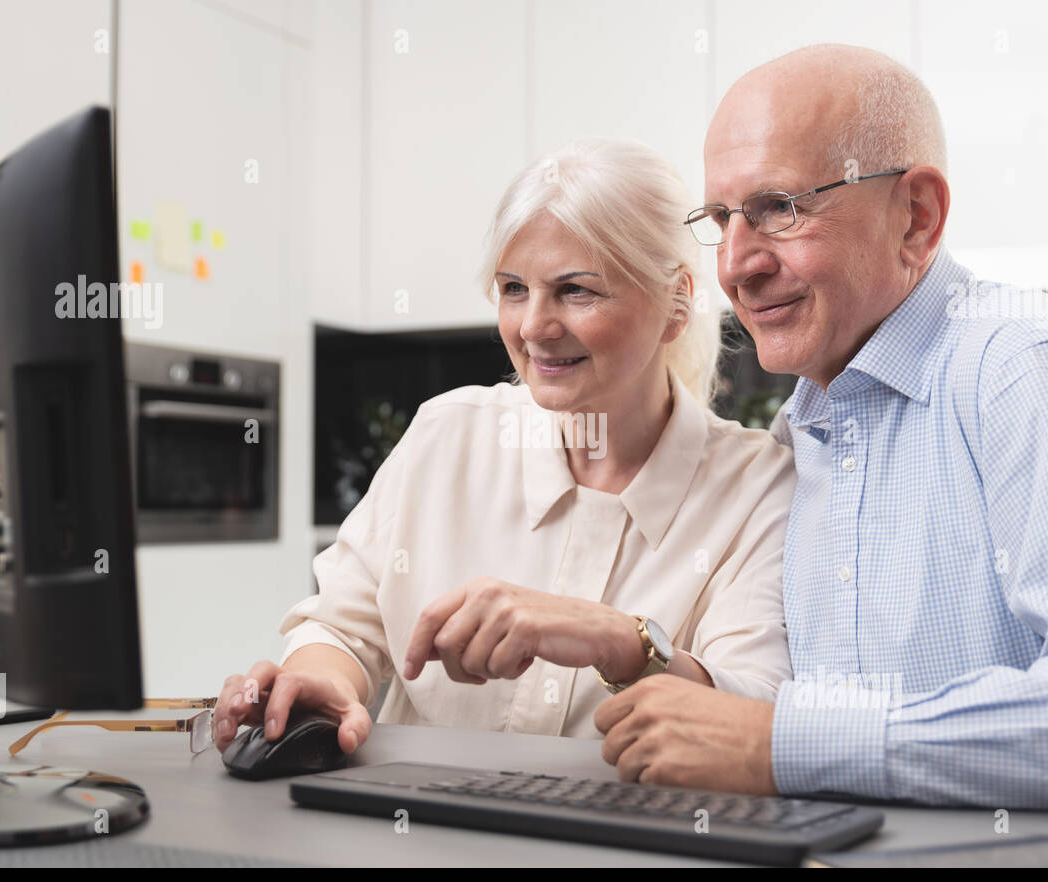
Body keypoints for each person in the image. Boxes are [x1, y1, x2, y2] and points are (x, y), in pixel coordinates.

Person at [596, 43, 1048, 814]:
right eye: (721, 218)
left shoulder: (1024, 367)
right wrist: (642, 655)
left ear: (916, 217)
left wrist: (784, 743)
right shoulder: (801, 434)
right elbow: (810, 710)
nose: (737, 266)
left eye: (779, 207)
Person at [213, 138, 796, 757]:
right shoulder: (449, 434)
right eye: (514, 288)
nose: (533, 328)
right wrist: (318, 682)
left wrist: (619, 641)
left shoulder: (756, 485)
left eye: (576, 290)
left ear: (675, 305)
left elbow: (755, 717)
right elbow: (340, 624)